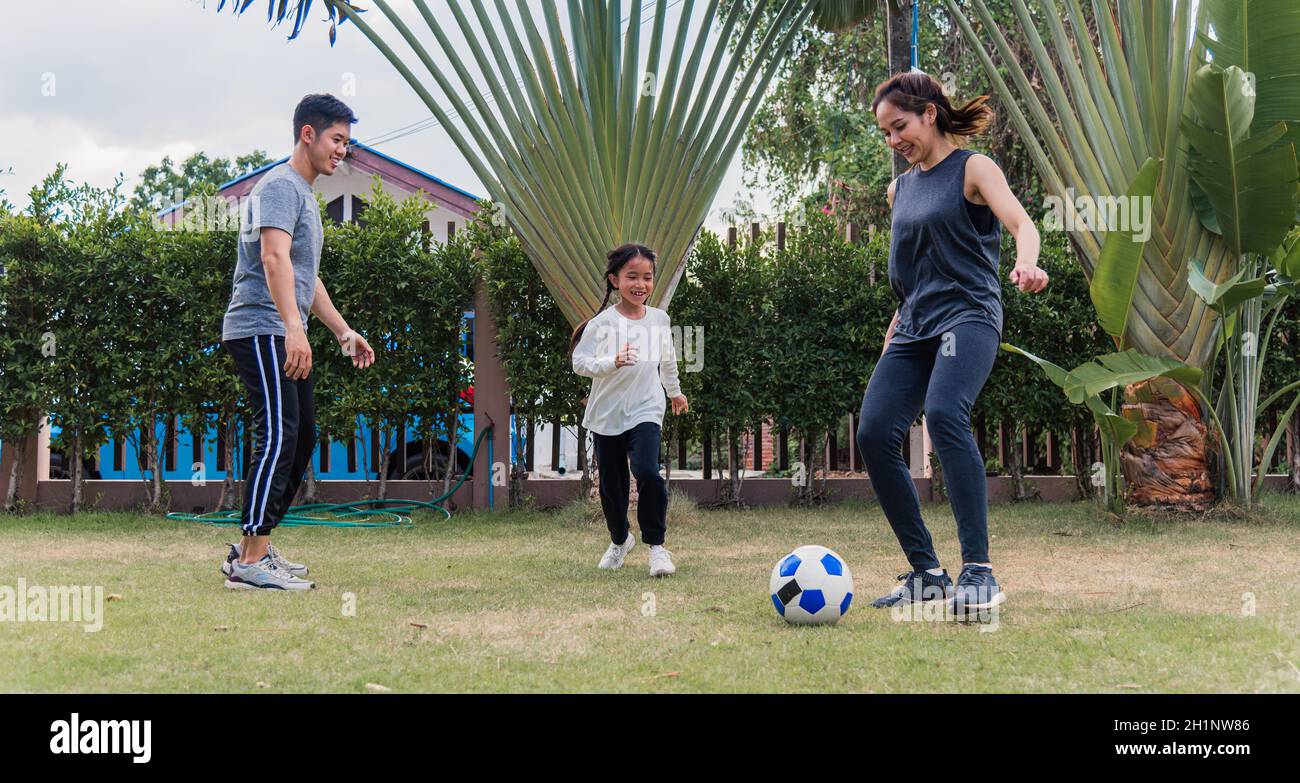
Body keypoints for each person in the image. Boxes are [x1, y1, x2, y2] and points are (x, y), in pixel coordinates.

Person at [857, 72, 1048, 615]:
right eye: (886, 134)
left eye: (900, 127)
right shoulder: (901, 188)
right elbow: (917, 265)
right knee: (874, 433)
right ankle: (927, 573)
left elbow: (1020, 223)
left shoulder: (973, 168)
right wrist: (898, 320)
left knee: (944, 413)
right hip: (914, 325)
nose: (894, 142)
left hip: (968, 317)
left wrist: (1026, 262)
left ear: (929, 114)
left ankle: (979, 572)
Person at [220, 93, 376, 590]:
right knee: (279, 434)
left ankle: (250, 549)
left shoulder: (302, 194)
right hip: (261, 327)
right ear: (307, 134)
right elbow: (273, 260)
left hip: (278, 325)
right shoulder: (282, 186)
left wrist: (341, 330)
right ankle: (252, 561)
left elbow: (305, 278)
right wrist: (291, 327)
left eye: (347, 144)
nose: (342, 152)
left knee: (302, 434)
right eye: (336, 140)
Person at [570, 244, 689, 577]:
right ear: (614, 279)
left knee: (648, 472)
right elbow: (579, 363)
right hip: (607, 414)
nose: (641, 284)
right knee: (612, 487)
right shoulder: (602, 324)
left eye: (647, 277)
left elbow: (667, 360)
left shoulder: (660, 320)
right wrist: (612, 362)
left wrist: (675, 392)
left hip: (646, 409)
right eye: (632, 276)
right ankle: (620, 540)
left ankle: (657, 549)